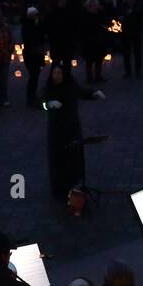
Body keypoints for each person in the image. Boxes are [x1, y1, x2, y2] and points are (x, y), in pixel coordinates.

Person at [41, 62, 105, 200]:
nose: (56, 76)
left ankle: (73, 183)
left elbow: (81, 91)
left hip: (72, 127)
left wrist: (94, 93)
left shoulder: (70, 86)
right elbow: (40, 102)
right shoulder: (49, 87)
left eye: (59, 73)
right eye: (54, 73)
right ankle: (59, 188)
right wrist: (49, 104)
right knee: (58, 158)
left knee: (73, 156)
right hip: (56, 130)